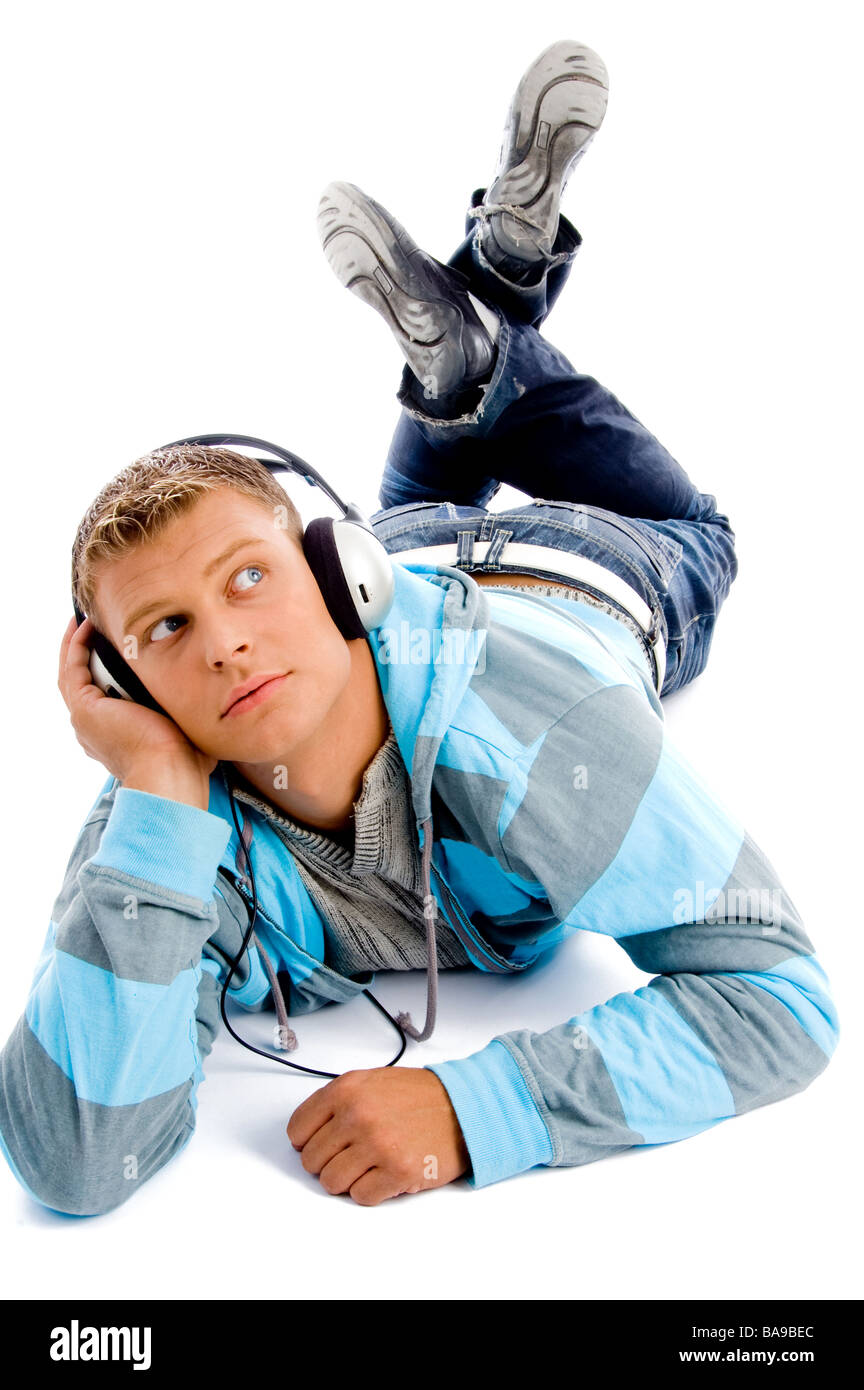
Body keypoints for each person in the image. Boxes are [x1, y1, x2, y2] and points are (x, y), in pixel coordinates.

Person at [0, 41, 839, 1214]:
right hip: (409, 538)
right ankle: (486, 316)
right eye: (167, 629)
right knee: (443, 452)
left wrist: (476, 1108)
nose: (225, 645)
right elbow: (77, 1163)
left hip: (577, 568)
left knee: (705, 534)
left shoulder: (544, 725)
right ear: (122, 689)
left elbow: (782, 999)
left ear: (333, 576)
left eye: (249, 581)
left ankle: (485, 331)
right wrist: (151, 796)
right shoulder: (162, 828)